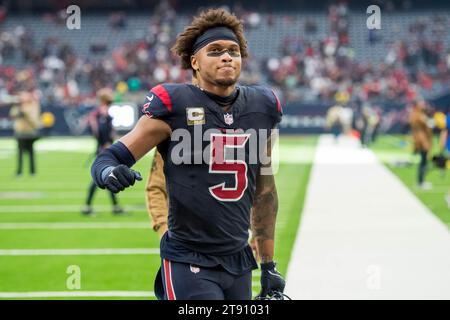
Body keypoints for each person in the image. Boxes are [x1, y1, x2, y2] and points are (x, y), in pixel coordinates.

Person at [91, 8, 285, 300]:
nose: (226, 57)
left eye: (233, 50)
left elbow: (265, 193)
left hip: (238, 259)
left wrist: (268, 265)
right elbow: (109, 157)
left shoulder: (261, 105)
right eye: (215, 50)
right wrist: (108, 173)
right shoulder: (174, 104)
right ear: (194, 61)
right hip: (188, 258)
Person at [82, 88, 124, 215]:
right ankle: (88, 207)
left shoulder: (100, 114)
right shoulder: (100, 114)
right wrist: (105, 143)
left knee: (109, 177)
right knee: (101, 179)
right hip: (103, 150)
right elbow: (99, 132)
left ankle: (114, 207)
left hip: (104, 149)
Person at [9, 91, 41, 176]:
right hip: (20, 133)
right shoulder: (19, 106)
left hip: (30, 133)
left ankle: (32, 171)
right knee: (20, 153)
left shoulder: (33, 106)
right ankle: (19, 171)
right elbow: (12, 114)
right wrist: (18, 108)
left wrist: (25, 114)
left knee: (31, 153)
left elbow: (34, 120)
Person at [409, 100, 433, 189]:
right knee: (423, 162)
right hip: (422, 142)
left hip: (422, 141)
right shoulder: (418, 115)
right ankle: (420, 182)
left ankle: (421, 181)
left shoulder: (417, 114)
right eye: (421, 104)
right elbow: (424, 127)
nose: (424, 106)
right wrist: (424, 143)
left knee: (423, 162)